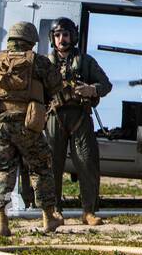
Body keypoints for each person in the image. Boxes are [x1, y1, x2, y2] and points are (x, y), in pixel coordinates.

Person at [0, 21, 64, 237]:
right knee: (40, 168)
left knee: (1, 171)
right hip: (28, 126)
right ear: (31, 41)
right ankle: (49, 218)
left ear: (11, 39)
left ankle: (1, 223)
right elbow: (56, 85)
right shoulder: (39, 62)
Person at [46, 17, 113, 226]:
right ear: (52, 38)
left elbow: (106, 84)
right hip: (54, 117)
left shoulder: (86, 61)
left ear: (72, 36)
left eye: (65, 35)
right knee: (52, 165)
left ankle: (88, 211)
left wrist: (91, 89)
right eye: (57, 35)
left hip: (80, 117)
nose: (61, 39)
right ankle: (54, 210)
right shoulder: (45, 63)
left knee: (87, 163)